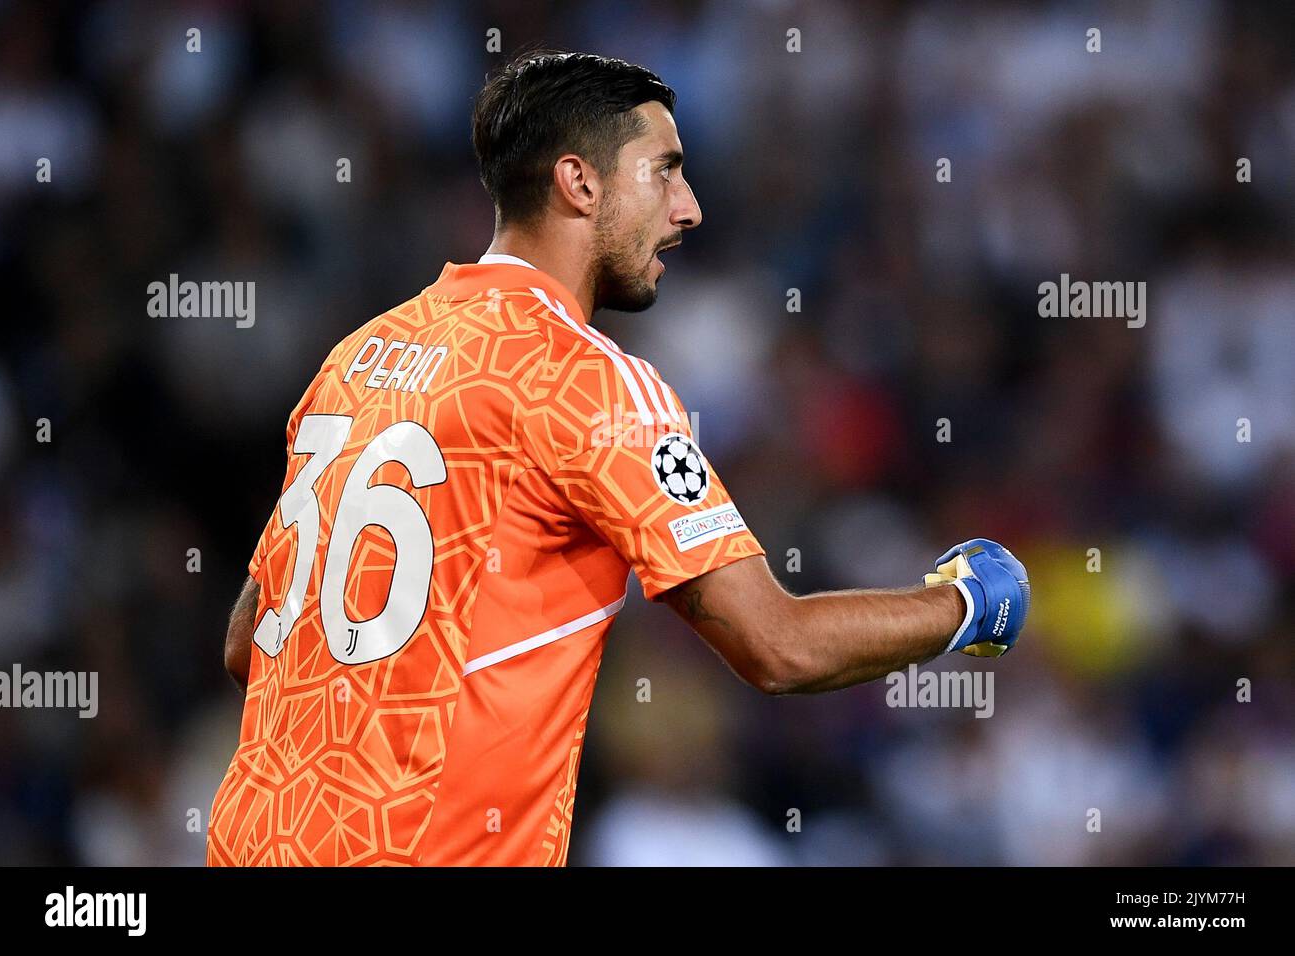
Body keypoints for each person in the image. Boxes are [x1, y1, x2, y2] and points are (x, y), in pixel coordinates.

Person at [206, 50, 1029, 867]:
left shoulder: (356, 356)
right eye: (665, 171)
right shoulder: (588, 380)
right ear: (580, 182)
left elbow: (250, 644)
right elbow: (779, 646)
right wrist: (969, 604)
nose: (690, 208)